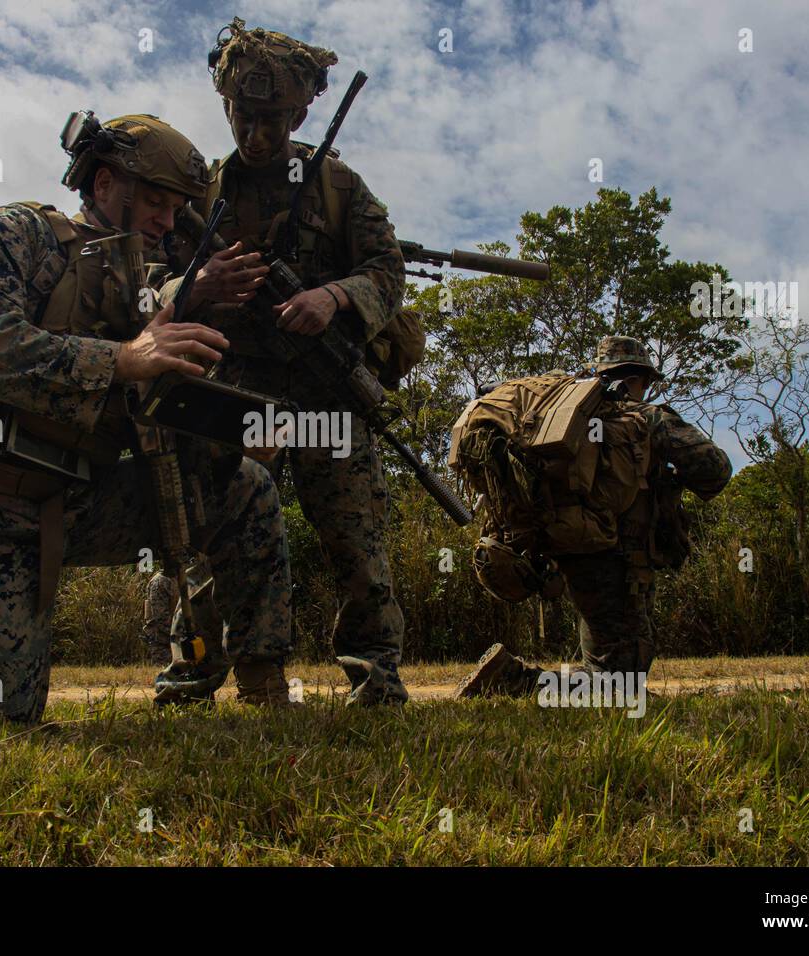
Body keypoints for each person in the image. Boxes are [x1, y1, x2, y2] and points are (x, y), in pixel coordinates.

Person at [0, 113, 294, 721]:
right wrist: (122, 358)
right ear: (101, 185)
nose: (166, 222)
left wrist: (231, 434)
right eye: (153, 201)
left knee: (242, 488)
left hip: (73, 500)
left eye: (175, 209)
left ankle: (261, 689)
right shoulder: (17, 234)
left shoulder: (133, 289)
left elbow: (143, 408)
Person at [159, 18, 409, 706]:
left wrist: (334, 297)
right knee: (210, 532)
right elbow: (154, 285)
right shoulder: (200, 193)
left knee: (354, 539)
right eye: (244, 113)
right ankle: (195, 675)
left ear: (300, 112)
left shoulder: (338, 186)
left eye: (273, 117)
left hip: (327, 393)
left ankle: (376, 680)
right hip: (239, 391)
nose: (258, 131)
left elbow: (388, 272)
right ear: (225, 106)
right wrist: (200, 287)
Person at [455, 336, 732, 698]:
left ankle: (545, 680)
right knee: (620, 684)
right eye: (646, 383)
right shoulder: (648, 419)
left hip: (574, 552)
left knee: (615, 665)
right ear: (640, 378)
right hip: (620, 560)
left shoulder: (566, 419)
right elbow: (716, 469)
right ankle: (512, 680)